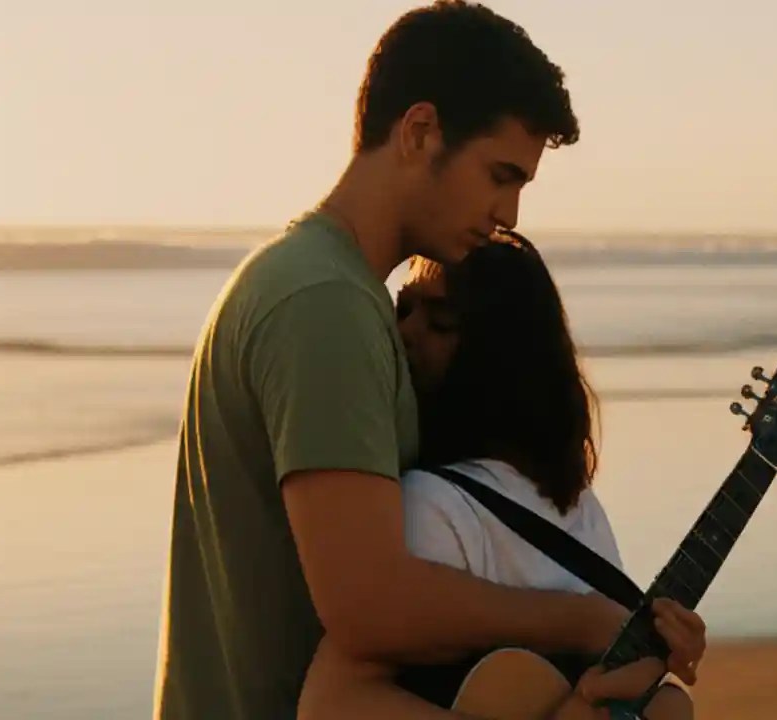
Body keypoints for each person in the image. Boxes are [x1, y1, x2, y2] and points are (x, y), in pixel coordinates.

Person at [152, 3, 705, 718]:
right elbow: (369, 607)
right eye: (499, 174)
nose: (509, 213)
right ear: (419, 133)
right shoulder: (322, 304)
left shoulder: (322, 290)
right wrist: (584, 620)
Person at [296, 233, 700, 719]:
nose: (405, 332)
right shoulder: (575, 506)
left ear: (501, 356)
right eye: (402, 310)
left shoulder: (434, 503)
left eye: (440, 321)